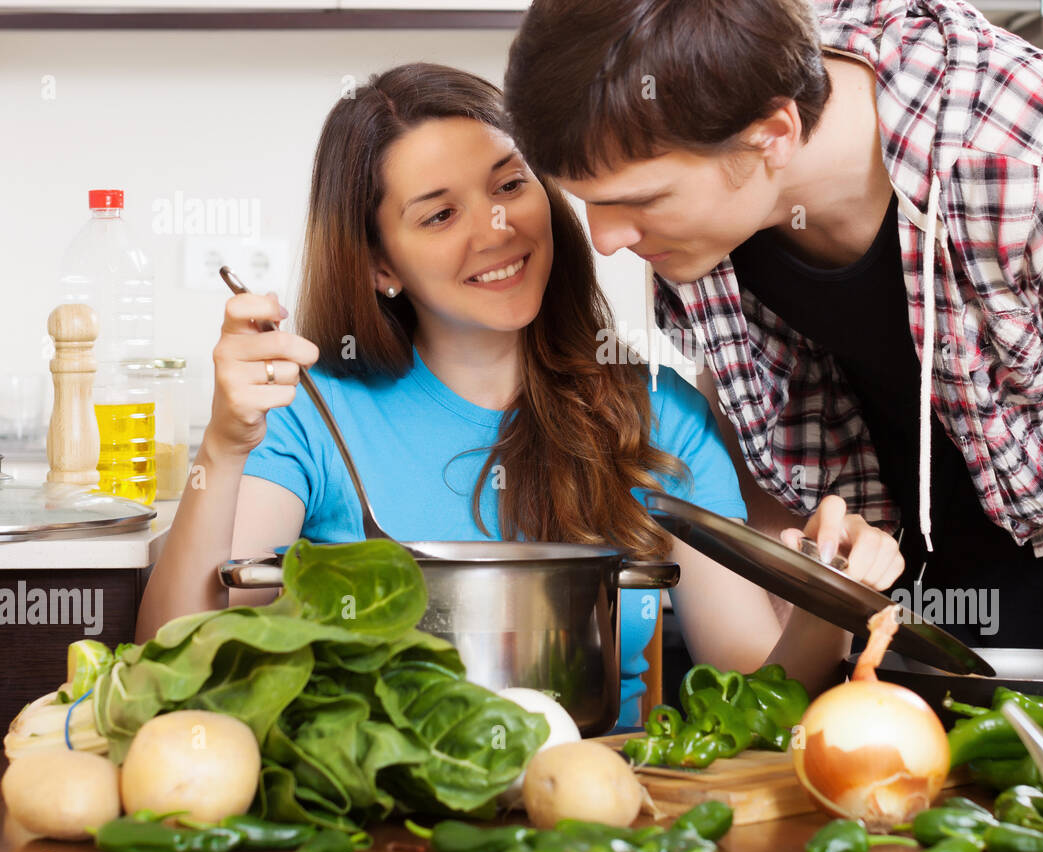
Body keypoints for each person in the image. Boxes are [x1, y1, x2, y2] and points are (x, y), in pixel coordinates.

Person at [502, 0, 1043, 653]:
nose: (605, 241)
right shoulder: (704, 137)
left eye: (637, 202)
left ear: (773, 135)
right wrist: (798, 612)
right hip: (891, 606)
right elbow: (759, 426)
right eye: (590, 205)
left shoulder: (1017, 157)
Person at [136, 63, 904, 726]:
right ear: (379, 265)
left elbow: (754, 689)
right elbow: (174, 662)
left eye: (510, 184)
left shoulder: (659, 414)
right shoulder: (307, 414)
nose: (497, 227)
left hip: (607, 823)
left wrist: (825, 601)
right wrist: (224, 445)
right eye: (439, 214)